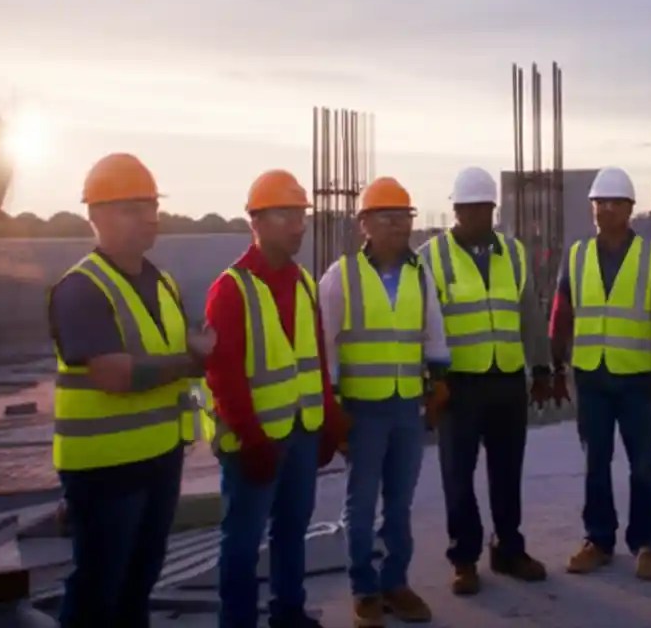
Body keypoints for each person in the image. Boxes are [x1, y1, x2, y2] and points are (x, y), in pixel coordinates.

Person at [49, 153, 212, 628]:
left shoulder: (163, 283)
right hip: (104, 470)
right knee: (98, 591)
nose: (147, 217)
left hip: (160, 458)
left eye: (150, 205)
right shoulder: (80, 289)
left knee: (139, 583)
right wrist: (191, 361)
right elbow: (114, 376)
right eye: (130, 207)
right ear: (95, 216)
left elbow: (173, 351)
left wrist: (197, 350)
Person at [202, 170, 347, 628]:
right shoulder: (231, 289)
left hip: (301, 435)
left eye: (301, 215)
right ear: (257, 221)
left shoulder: (304, 283)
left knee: (291, 532)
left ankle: (289, 612)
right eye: (287, 215)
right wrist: (252, 440)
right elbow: (223, 376)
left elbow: (316, 360)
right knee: (243, 545)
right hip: (255, 444)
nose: (299, 225)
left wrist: (326, 419)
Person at [418, 166, 559, 596]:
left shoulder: (513, 253)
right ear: (456, 210)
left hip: (506, 381)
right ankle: (464, 558)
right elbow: (423, 325)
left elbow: (531, 315)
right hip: (457, 384)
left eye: (485, 208)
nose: (478, 216)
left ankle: (508, 548)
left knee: (506, 472)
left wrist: (541, 369)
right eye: (469, 209)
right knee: (457, 475)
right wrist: (431, 382)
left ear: (493, 209)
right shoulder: (431, 256)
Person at [318, 177, 449, 627]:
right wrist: (334, 410)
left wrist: (436, 385)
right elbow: (326, 347)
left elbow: (433, 333)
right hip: (363, 409)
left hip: (406, 405)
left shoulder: (419, 274)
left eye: (404, 217)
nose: (399, 225)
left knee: (400, 502)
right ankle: (364, 588)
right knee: (361, 501)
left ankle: (395, 583)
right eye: (387, 217)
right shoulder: (341, 277)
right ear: (365, 225)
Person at [549, 167, 651, 581]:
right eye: (599, 203)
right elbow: (562, 308)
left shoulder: (649, 255)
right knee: (595, 463)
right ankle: (598, 540)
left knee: (642, 465)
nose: (605, 210)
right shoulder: (578, 254)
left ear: (629, 209)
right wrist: (555, 359)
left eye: (614, 203)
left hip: (638, 377)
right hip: (592, 376)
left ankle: (645, 544)